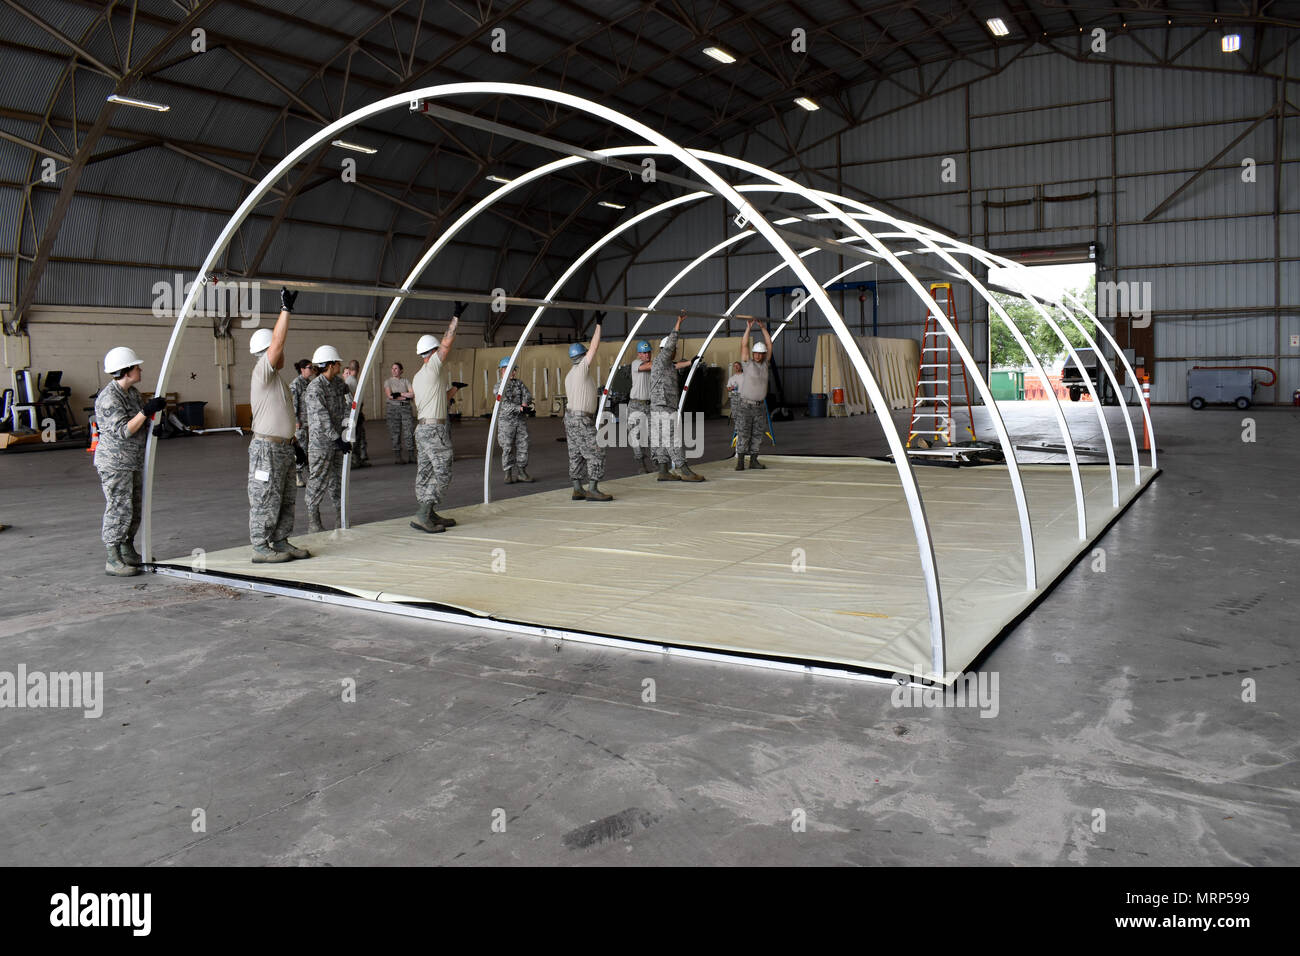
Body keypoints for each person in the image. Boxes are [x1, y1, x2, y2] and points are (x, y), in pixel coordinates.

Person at [246, 289, 311, 562]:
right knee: (265, 498)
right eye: (278, 352)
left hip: (282, 449)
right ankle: (261, 546)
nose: (283, 355)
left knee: (285, 498)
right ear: (267, 354)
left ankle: (281, 540)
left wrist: (294, 444)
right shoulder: (263, 372)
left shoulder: (277, 381)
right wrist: (286, 310)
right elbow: (276, 343)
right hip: (266, 451)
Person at [94, 346, 166, 576]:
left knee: (134, 507)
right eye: (136, 366)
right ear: (126, 371)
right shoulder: (108, 399)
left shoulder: (132, 393)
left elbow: (139, 421)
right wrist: (146, 412)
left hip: (133, 460)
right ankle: (112, 557)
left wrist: (153, 425)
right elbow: (124, 430)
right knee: (119, 507)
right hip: (115, 464)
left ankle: (127, 549)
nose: (140, 369)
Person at [409, 302, 467, 533]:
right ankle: (423, 514)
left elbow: (438, 399)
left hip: (422, 429)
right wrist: (455, 317)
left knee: (426, 472)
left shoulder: (418, 376)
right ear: (431, 353)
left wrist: (454, 390)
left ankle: (429, 513)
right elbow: (446, 343)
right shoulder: (433, 366)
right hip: (434, 431)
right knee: (443, 470)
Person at [650, 309, 705, 482]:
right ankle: (684, 470)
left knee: (660, 439)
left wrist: (691, 362)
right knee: (671, 437)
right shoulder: (662, 358)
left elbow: (676, 366)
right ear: (667, 350)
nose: (674, 351)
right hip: (664, 405)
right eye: (672, 350)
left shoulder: (664, 365)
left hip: (659, 405)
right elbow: (671, 345)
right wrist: (678, 323)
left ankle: (663, 471)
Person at [563, 313, 613, 501]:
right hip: (582, 420)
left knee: (575, 452)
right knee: (596, 451)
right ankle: (592, 489)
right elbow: (594, 347)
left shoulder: (570, 375)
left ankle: (577, 488)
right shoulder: (582, 368)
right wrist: (598, 325)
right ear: (582, 356)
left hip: (570, 418)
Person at [303, 344, 350, 532]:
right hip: (321, 444)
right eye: (338, 362)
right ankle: (314, 521)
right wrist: (337, 438)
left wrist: (347, 430)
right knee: (317, 481)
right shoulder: (314, 388)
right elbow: (321, 417)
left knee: (338, 482)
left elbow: (349, 404)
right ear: (330, 365)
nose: (340, 365)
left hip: (340, 441)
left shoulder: (340, 384)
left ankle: (341, 518)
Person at [734, 318, 773, 471]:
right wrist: (748, 328)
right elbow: (743, 345)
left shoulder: (765, 364)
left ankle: (754, 460)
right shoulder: (747, 363)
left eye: (760, 354)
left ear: (763, 355)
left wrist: (763, 328)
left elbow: (769, 344)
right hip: (745, 405)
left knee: (757, 434)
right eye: (756, 353)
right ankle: (740, 462)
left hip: (759, 406)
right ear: (753, 353)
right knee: (744, 433)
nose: (758, 356)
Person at [497, 357, 535, 484]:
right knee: (507, 447)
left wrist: (524, 403)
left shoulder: (519, 383)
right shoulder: (499, 386)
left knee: (523, 445)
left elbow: (527, 394)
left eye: (514, 370)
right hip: (506, 422)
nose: (513, 372)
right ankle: (508, 473)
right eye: (510, 370)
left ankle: (522, 472)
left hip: (520, 420)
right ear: (502, 370)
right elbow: (503, 404)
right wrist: (519, 408)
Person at [628, 340, 653, 473]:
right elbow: (648, 366)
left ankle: (659, 463)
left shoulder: (653, 366)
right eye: (644, 353)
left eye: (648, 352)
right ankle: (641, 465)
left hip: (648, 406)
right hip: (635, 405)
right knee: (635, 436)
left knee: (654, 435)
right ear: (639, 354)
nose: (647, 355)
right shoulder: (636, 364)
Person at [384, 361, 416, 464]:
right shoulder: (388, 382)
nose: (393, 370)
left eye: (396, 368)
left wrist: (400, 394)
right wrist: (405, 397)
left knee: (409, 431)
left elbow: (412, 394)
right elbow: (390, 396)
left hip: (406, 409)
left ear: (401, 371)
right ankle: (398, 457)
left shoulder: (406, 381)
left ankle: (411, 455)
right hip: (393, 410)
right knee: (395, 433)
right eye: (392, 368)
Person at [288, 358, 314, 487]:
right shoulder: (296, 384)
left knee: (309, 449)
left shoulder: (309, 383)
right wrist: (296, 421)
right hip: (301, 424)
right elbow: (293, 404)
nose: (312, 370)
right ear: (302, 369)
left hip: (310, 423)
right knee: (300, 450)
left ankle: (310, 475)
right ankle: (297, 476)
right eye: (309, 367)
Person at [342, 360, 371, 468]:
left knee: (357, 437)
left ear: (349, 369)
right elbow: (354, 400)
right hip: (353, 414)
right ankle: (354, 461)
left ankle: (357, 460)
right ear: (358, 368)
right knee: (355, 437)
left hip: (354, 413)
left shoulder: (350, 380)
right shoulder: (352, 381)